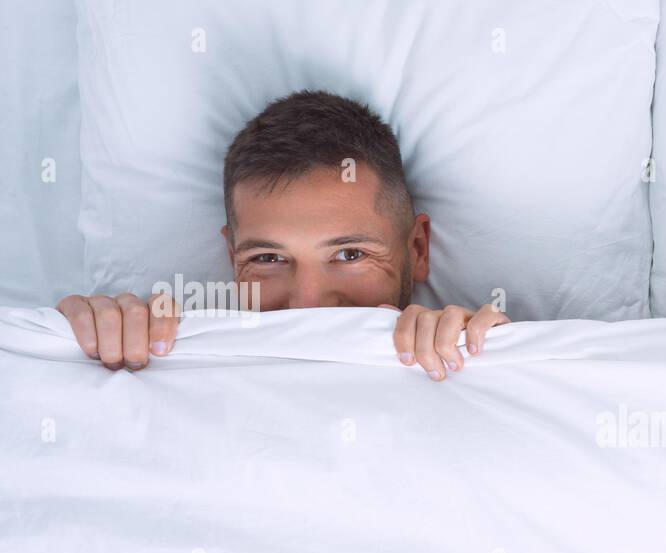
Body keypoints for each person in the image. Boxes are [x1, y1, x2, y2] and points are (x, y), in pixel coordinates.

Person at [54, 90, 506, 382]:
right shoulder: (171, 350)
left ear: (417, 248)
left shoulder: (469, 353)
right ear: (233, 259)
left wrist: (493, 353)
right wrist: (88, 340)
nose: (307, 304)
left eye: (349, 254)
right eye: (269, 258)